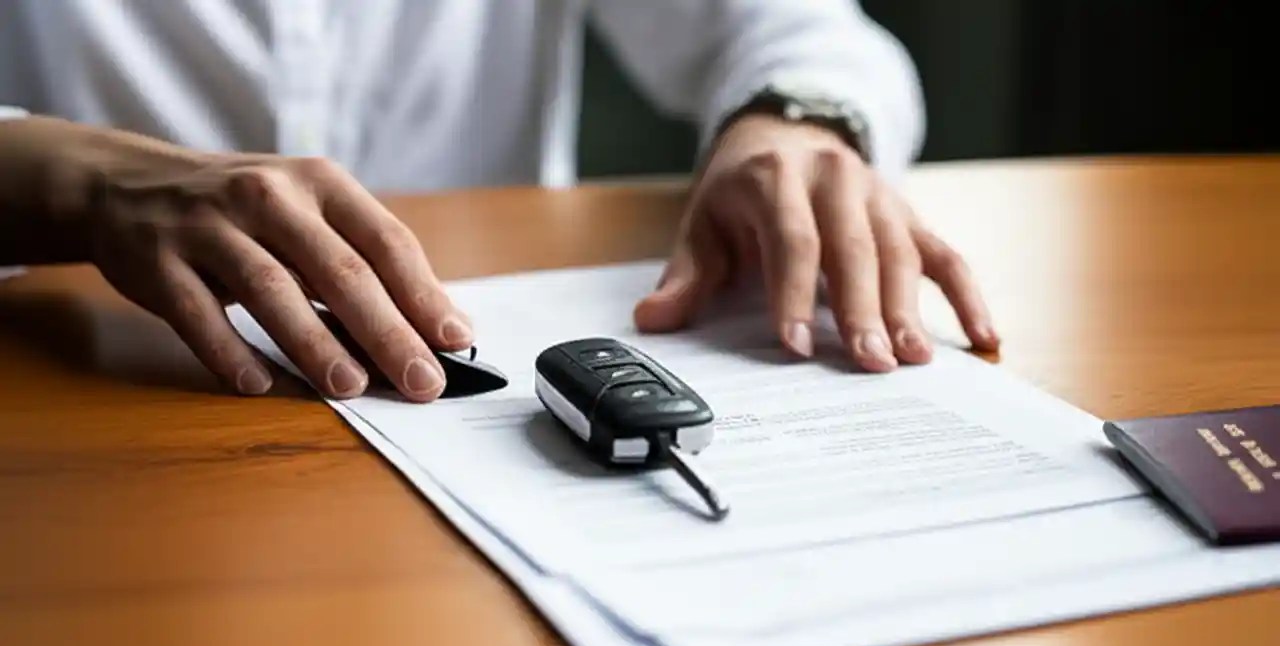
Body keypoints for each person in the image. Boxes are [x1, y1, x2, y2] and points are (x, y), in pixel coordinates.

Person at [0, 0, 999, 402]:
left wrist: (792, 121)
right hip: (101, 384)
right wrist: (67, 175)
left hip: (484, 402)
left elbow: (810, 35)